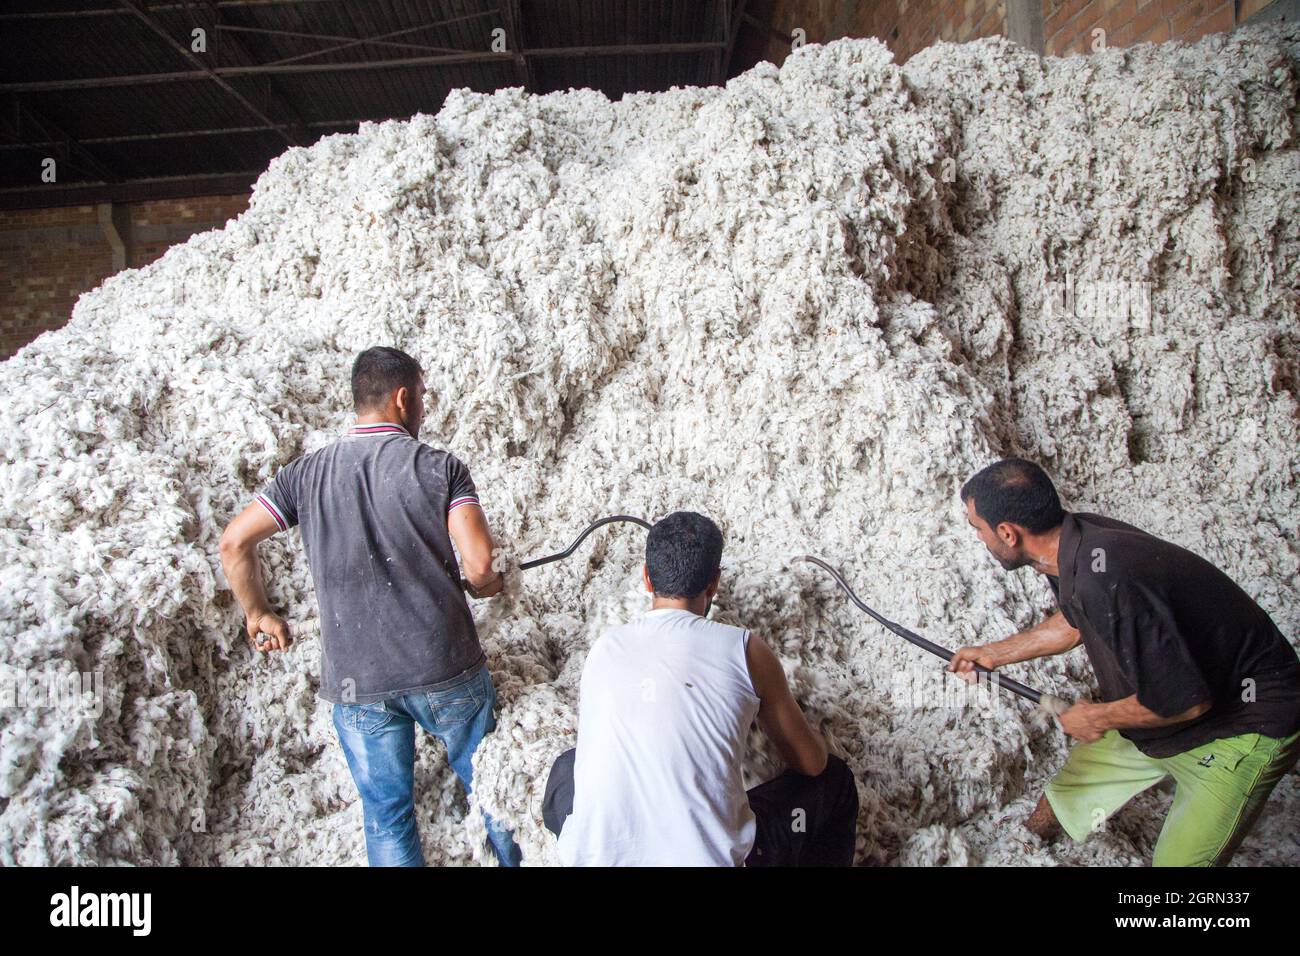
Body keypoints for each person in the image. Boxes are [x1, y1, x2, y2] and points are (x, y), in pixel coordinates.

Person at [219, 346, 520, 866]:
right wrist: (489, 584)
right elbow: (478, 564)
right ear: (403, 399)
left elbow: (234, 543)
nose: (423, 407)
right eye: (422, 397)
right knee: (494, 790)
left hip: (358, 685)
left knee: (387, 816)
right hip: (445, 667)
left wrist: (259, 613)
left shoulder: (303, 475)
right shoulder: (441, 468)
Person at [951, 458, 1300, 866]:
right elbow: (1077, 619)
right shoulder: (1075, 543)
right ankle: (1023, 845)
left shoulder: (1105, 575)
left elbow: (1186, 702)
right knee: (1075, 784)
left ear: (1008, 533)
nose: (979, 537)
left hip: (1243, 724)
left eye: (978, 528)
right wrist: (996, 653)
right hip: (1167, 700)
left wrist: (1098, 718)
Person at [543, 511, 858, 866]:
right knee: (835, 781)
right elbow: (810, 763)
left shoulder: (605, 648)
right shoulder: (746, 650)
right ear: (714, 584)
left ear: (647, 579)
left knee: (565, 769)